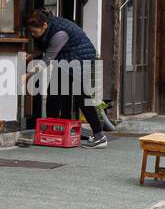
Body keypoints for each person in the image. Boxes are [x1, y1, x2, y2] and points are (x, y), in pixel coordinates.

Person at [24, 9, 107, 148]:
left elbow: (47, 59)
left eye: (34, 32)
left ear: (44, 25)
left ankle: (99, 136)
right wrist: (32, 55)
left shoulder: (59, 33)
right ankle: (51, 132)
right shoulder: (49, 28)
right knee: (55, 93)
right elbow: (45, 47)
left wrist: (27, 76)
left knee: (80, 96)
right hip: (66, 58)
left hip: (80, 58)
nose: (33, 35)